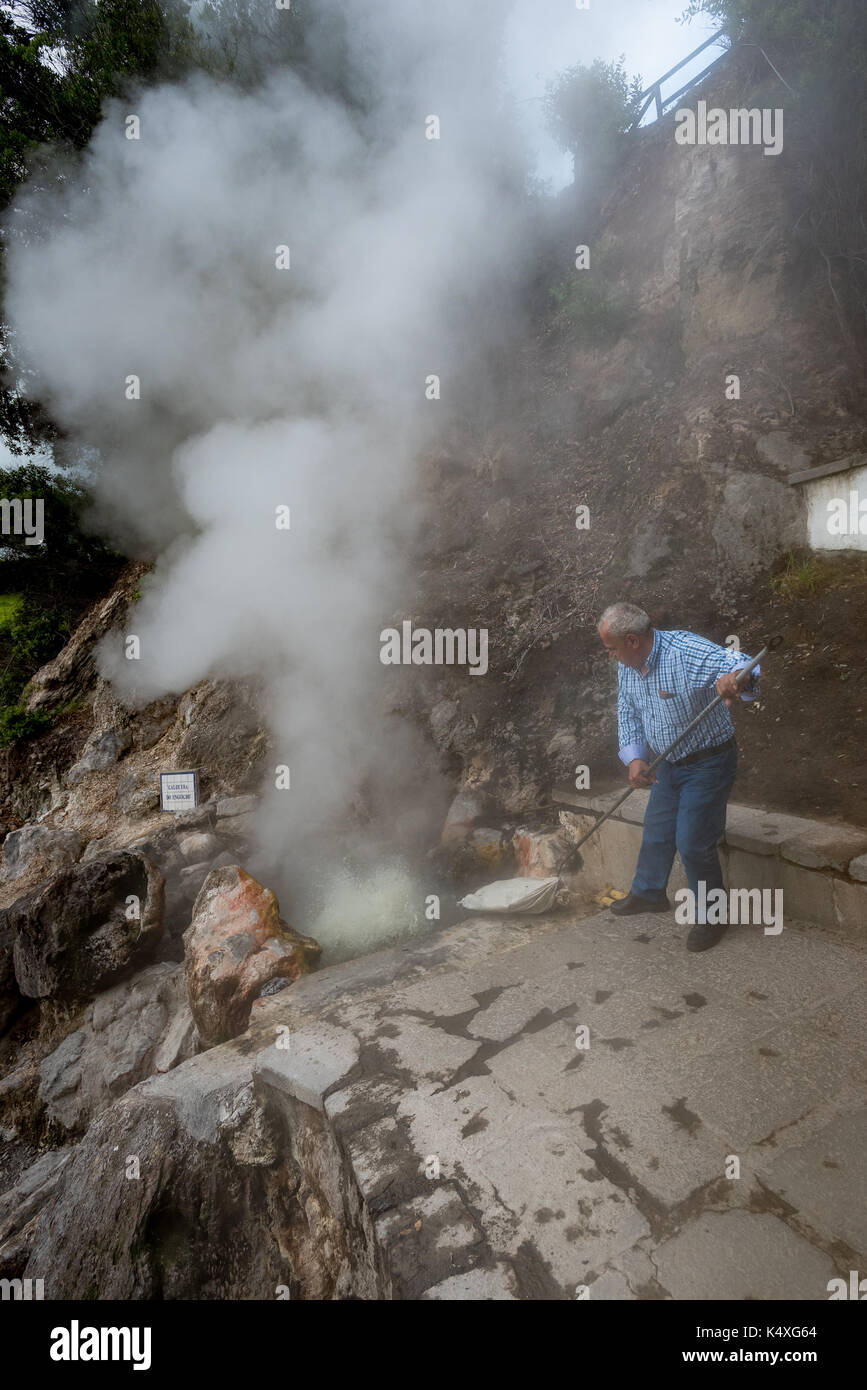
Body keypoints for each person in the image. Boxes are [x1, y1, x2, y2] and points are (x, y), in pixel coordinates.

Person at [597, 602, 761, 952]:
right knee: (657, 830)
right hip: (668, 763)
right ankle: (649, 893)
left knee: (693, 842)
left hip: (708, 763)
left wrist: (734, 680)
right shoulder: (628, 666)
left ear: (632, 641)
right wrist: (635, 757)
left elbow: (741, 665)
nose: (610, 656)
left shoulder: (684, 651)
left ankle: (713, 917)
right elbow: (627, 710)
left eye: (612, 648)